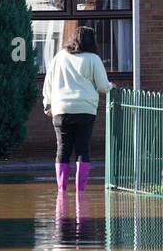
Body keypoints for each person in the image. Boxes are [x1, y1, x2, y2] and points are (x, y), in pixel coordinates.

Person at [42, 26, 112, 193]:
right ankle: (80, 189)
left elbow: (48, 83)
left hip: (61, 109)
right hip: (85, 109)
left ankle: (62, 188)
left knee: (62, 149)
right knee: (82, 149)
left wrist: (47, 104)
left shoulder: (59, 57)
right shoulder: (93, 59)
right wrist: (111, 87)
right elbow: (103, 86)